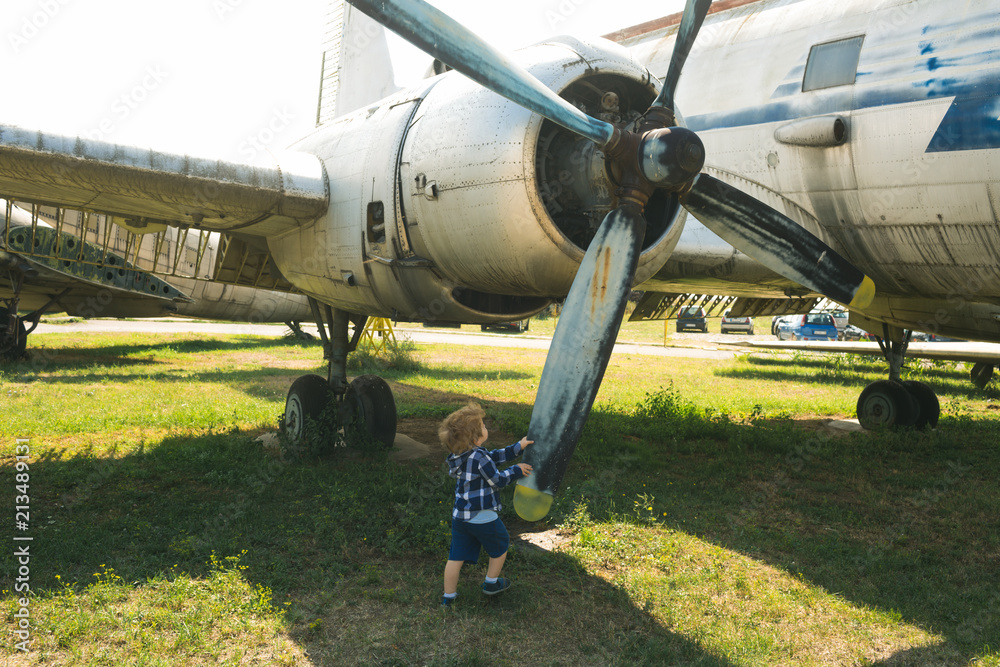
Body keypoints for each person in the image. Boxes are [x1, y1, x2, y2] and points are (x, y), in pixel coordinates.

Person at [439, 402, 532, 608]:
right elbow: (497, 480)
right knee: (500, 545)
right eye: (482, 426)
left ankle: (448, 597)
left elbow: (494, 456)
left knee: (456, 556)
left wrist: (519, 446)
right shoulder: (479, 457)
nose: (486, 427)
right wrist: (516, 470)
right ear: (475, 438)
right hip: (481, 516)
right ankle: (491, 583)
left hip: (460, 517)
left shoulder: (460, 455)